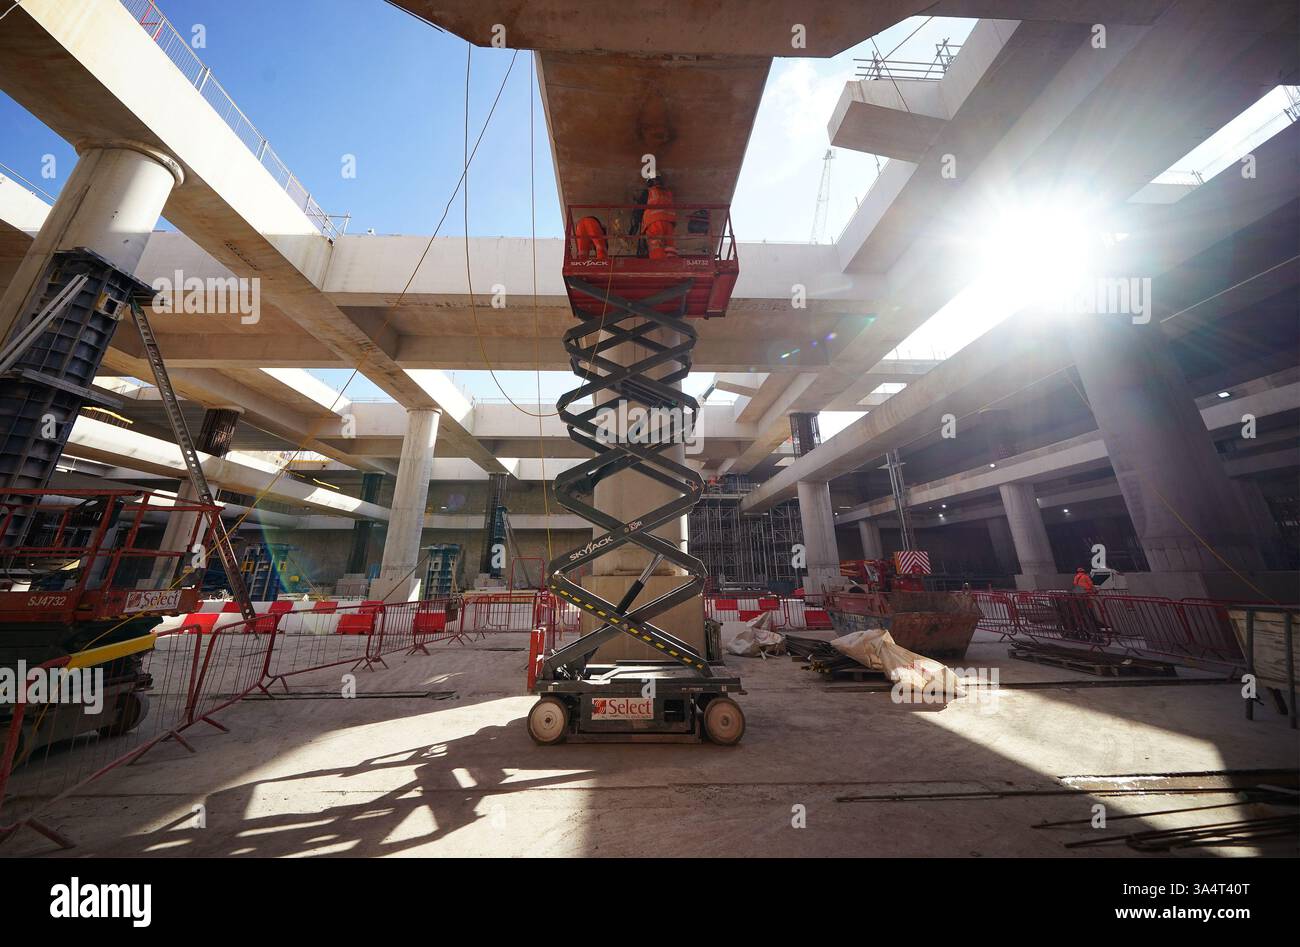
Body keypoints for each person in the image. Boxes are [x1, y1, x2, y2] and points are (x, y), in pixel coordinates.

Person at [640, 176, 678, 259]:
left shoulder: (648, 192)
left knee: (656, 244)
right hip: (669, 222)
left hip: (654, 221)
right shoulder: (668, 193)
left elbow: (639, 209)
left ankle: (658, 263)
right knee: (669, 244)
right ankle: (672, 263)